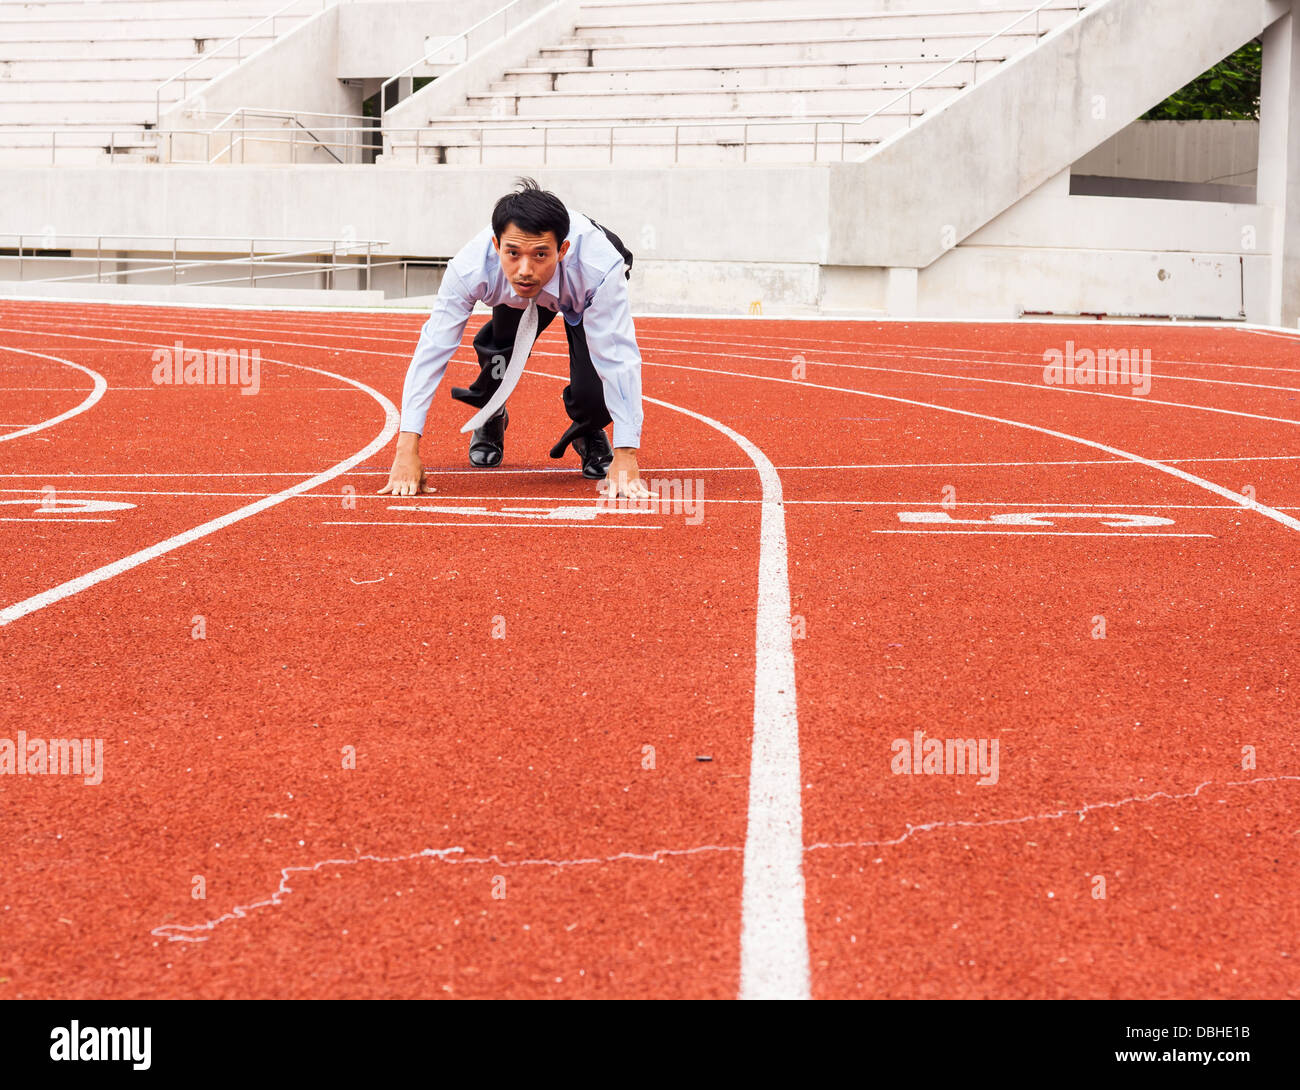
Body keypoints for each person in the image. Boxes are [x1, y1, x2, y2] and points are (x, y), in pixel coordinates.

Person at [380, 177, 651, 499]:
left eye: (540, 255)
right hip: (514, 298)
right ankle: (492, 414)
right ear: (496, 247)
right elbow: (433, 349)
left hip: (578, 289)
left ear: (562, 250)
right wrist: (406, 448)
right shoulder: (470, 269)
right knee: (497, 361)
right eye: (512, 253)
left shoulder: (599, 269)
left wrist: (626, 454)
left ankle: (589, 429)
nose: (525, 270)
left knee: (595, 393)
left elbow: (618, 356)